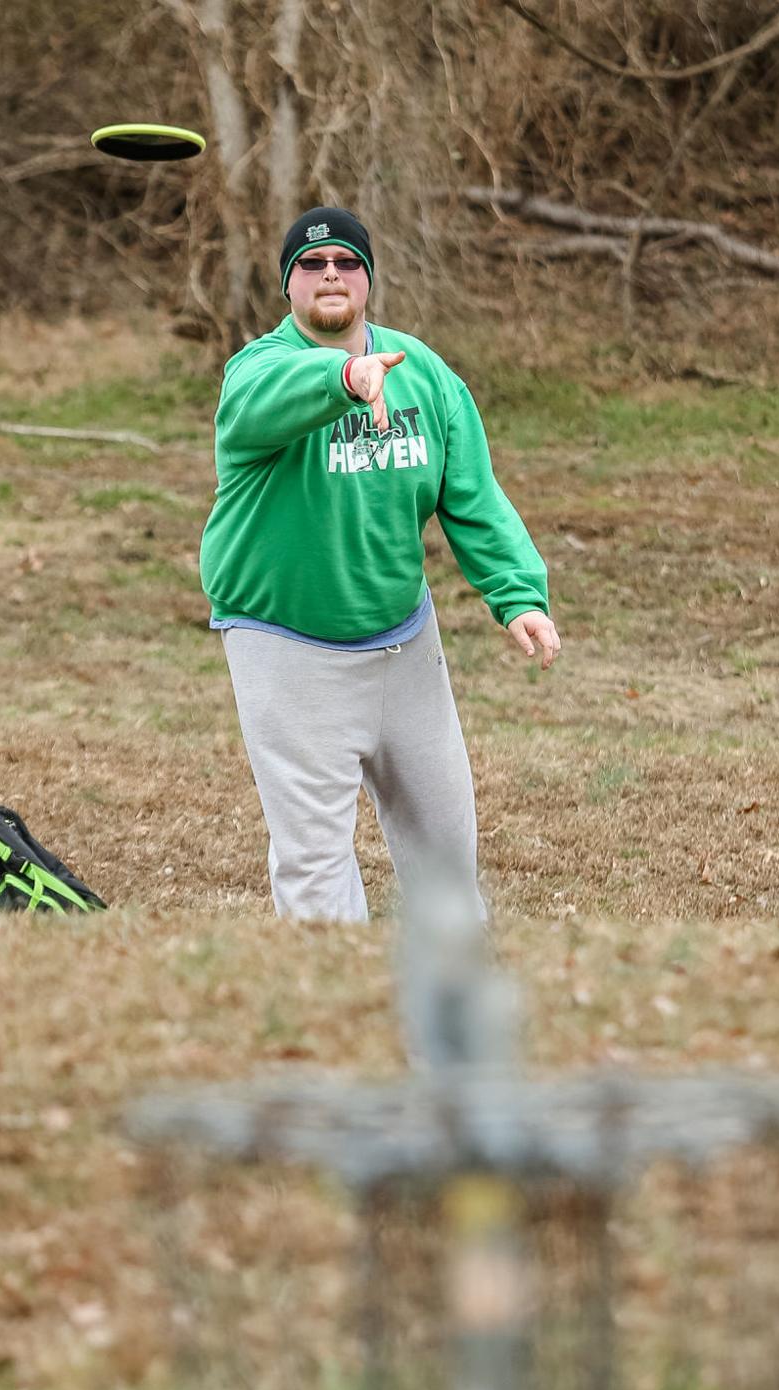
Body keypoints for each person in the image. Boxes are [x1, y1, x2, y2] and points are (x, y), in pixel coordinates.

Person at [199, 205, 561, 921]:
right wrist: (345, 378)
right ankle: (339, 1023)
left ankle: (449, 1026)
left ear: (366, 279)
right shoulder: (257, 371)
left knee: (446, 855)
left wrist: (517, 594)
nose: (329, 274)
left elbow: (472, 496)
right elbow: (264, 404)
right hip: (285, 642)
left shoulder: (424, 374)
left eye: (345, 263)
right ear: (288, 286)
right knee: (314, 867)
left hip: (402, 640)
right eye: (311, 265)